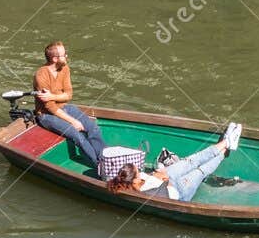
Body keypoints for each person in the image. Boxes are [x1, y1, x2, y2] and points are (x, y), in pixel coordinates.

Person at [108, 124, 242, 203]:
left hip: (166, 179)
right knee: (201, 171)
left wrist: (157, 175)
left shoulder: (130, 180)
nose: (140, 171)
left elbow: (155, 176)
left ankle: (226, 142)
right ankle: (225, 150)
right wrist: (163, 179)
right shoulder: (143, 192)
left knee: (193, 159)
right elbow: (168, 193)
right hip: (178, 191)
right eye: (138, 172)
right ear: (135, 180)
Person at [33, 41, 105, 170]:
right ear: (55, 59)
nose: (66, 56)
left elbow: (68, 95)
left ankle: (106, 159)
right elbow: (50, 107)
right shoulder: (41, 75)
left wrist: (52, 96)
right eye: (64, 54)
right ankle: (101, 167)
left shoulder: (65, 68)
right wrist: (73, 121)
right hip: (46, 115)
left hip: (64, 107)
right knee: (77, 135)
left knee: (93, 128)